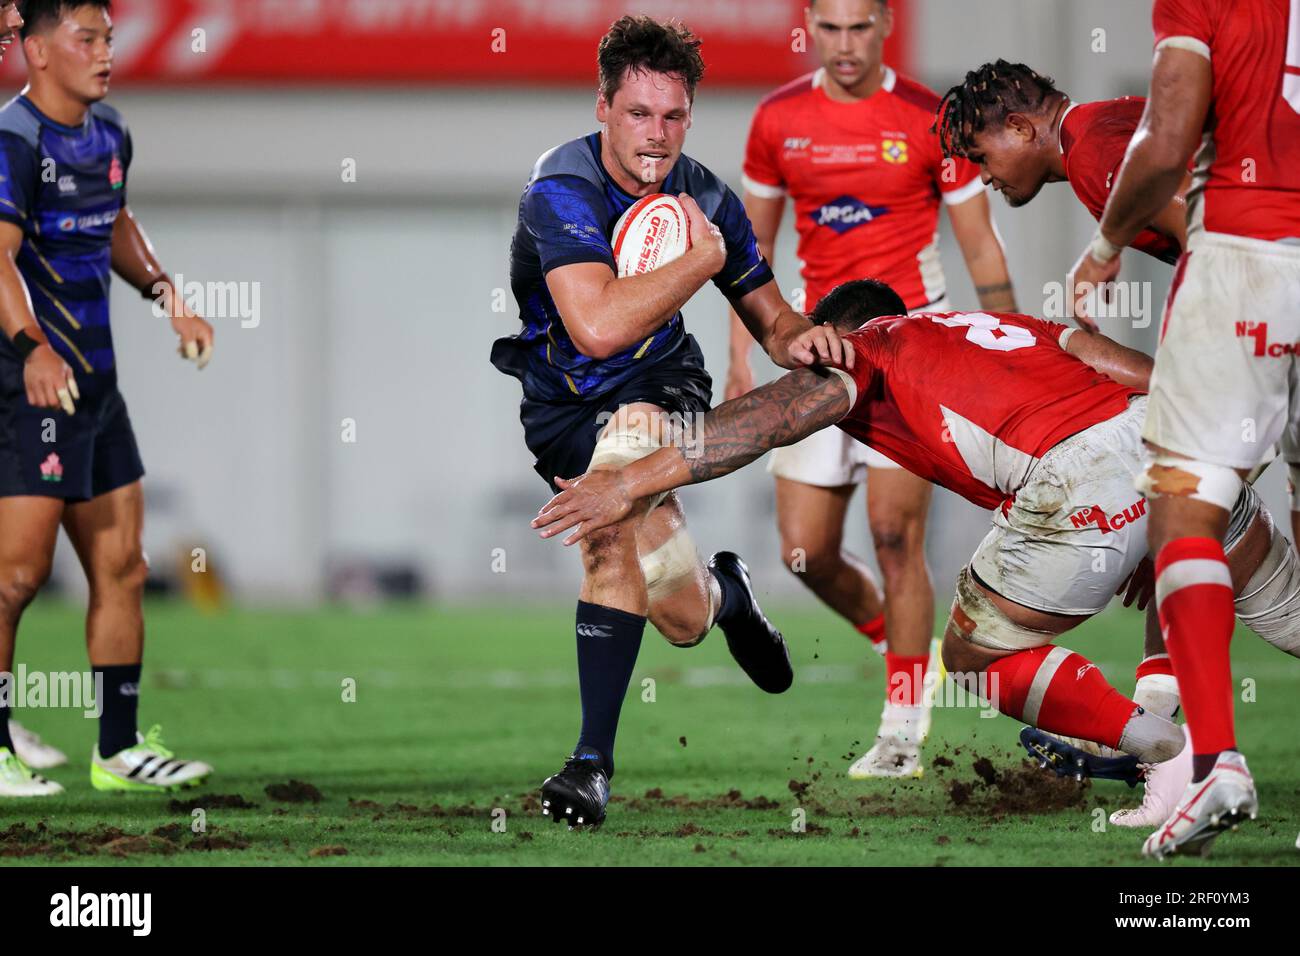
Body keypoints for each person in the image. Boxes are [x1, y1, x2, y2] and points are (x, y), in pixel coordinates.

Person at [533, 280, 1300, 844]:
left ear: (833, 330)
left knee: (973, 654)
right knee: (1290, 613)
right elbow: (1123, 364)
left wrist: (627, 482)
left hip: (1078, 479)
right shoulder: (1002, 323)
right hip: (1165, 444)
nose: (803, 355)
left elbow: (765, 420)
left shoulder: (857, 349)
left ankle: (1156, 747)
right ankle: (1173, 753)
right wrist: (1175, 497)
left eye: (809, 342)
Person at [490, 15, 848, 828]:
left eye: (674, 116)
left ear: (690, 114)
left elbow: (774, 321)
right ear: (603, 108)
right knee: (681, 619)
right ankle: (728, 596)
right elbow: (599, 328)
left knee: (609, 521)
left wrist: (810, 338)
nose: (658, 136)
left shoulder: (706, 194)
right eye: (639, 114)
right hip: (560, 406)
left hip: (661, 387)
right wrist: (701, 260)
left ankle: (590, 766)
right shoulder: (561, 189)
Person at [725, 0, 1018, 778]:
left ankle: (900, 730)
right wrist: (743, 357)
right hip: (815, 353)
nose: (844, 44)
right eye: (830, 28)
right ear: (810, 27)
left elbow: (980, 245)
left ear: (885, 23)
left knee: (896, 538)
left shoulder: (929, 116)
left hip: (908, 355)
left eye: (859, 27)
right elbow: (749, 255)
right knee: (804, 554)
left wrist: (1011, 352)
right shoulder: (776, 119)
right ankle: (909, 651)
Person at [1068, 0, 1300, 857]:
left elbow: (1165, 142)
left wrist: (1104, 243)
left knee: (1182, 502)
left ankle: (1217, 764)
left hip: (1249, 247)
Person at [0, 0, 214, 798]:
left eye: (108, 38)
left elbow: (115, 221)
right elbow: (1, 258)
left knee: (122, 565)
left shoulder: (111, 132)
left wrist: (170, 296)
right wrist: (31, 348)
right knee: (15, 579)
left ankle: (117, 750)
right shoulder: (14, 140)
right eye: (85, 39)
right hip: (28, 387)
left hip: (97, 385)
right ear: (36, 50)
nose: (104, 53)